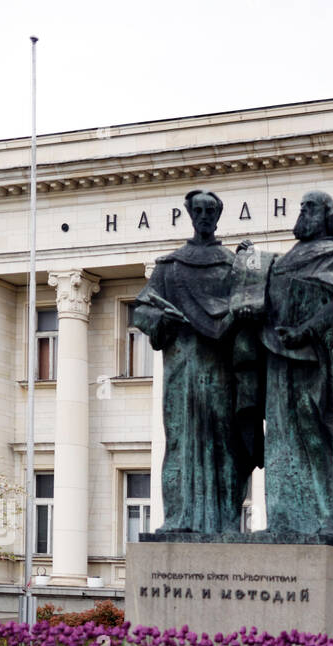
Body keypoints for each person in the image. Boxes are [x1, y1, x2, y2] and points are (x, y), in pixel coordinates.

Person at [133, 189, 262, 534]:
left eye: (210, 211)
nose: (204, 216)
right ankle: (179, 518)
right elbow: (143, 309)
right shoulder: (170, 266)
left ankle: (224, 522)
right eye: (199, 210)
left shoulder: (230, 263)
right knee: (180, 440)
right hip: (182, 367)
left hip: (221, 366)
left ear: (218, 216)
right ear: (190, 214)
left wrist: (250, 265)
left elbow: (249, 305)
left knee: (226, 443)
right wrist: (162, 321)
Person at [259, 191, 333, 542]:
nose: (303, 212)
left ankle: (325, 518)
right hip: (281, 364)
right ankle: (281, 519)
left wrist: (305, 331)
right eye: (301, 206)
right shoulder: (284, 261)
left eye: (310, 207)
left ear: (327, 216)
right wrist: (249, 264)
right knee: (279, 440)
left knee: (317, 438)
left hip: (318, 366)